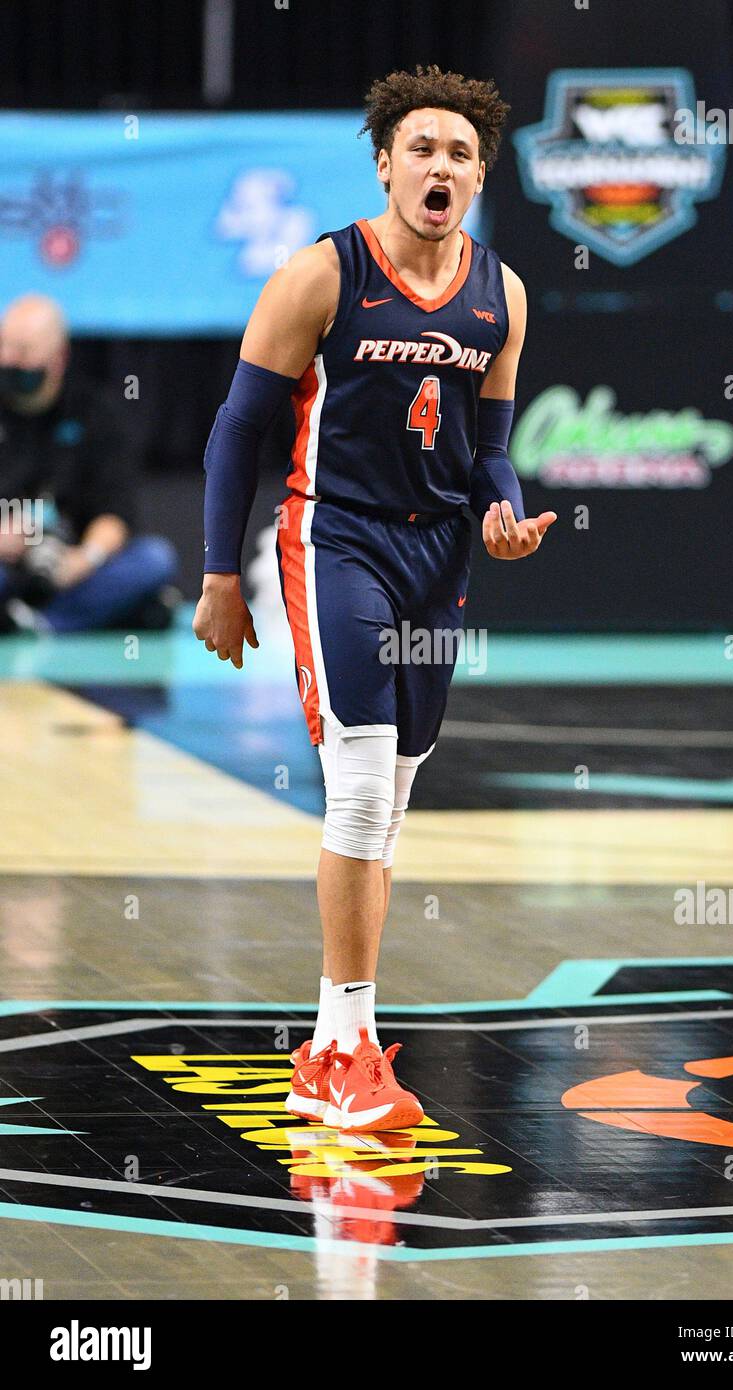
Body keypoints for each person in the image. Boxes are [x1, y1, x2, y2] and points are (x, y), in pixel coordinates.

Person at [193, 66, 556, 1132]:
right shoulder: (323, 272)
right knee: (355, 788)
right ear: (384, 163)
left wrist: (504, 511)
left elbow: (490, 452)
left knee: (389, 802)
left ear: (479, 177)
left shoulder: (503, 291)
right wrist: (220, 574)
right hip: (334, 536)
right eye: (421, 148)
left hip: (436, 556)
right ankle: (345, 1043)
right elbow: (236, 429)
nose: (438, 165)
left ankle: (327, 1044)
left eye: (458, 153)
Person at [0, 293, 178, 634]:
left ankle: (37, 622)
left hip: (69, 567)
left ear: (57, 358)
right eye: (3, 347)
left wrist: (83, 559)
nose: (9, 360)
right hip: (7, 566)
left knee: (153, 559)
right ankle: (109, 614)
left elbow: (116, 513)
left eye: (22, 351)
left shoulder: (96, 414)